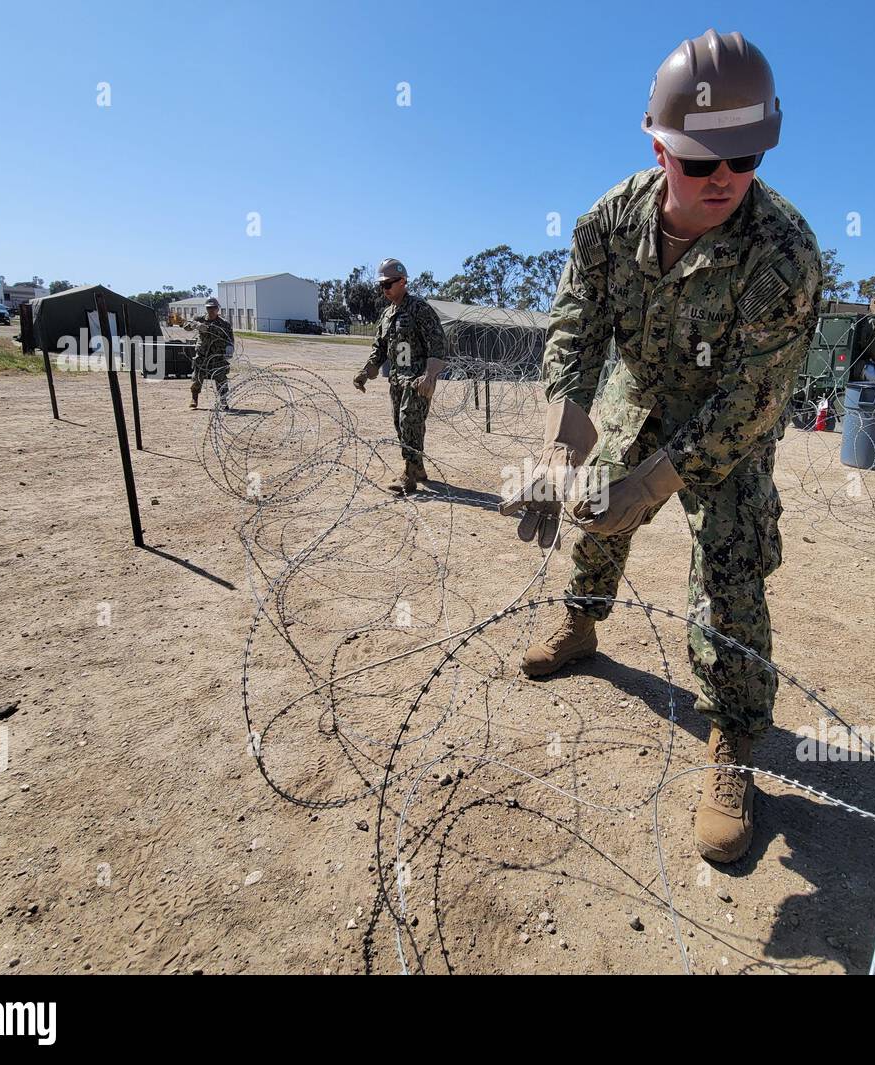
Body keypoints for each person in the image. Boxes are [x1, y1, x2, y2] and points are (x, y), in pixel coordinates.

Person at [500, 29, 823, 864]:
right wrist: (558, 439)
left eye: (744, 158)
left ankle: (735, 738)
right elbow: (575, 328)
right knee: (595, 512)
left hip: (728, 421)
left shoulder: (784, 254)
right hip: (640, 389)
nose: (724, 180)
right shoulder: (608, 223)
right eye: (700, 161)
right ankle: (581, 621)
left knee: (731, 563)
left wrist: (658, 481)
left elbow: (752, 398)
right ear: (659, 144)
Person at [352, 258, 447, 493]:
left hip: (417, 380)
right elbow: (379, 349)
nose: (384, 290)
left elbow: (438, 344)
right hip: (396, 380)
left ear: (402, 281)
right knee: (401, 424)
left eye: (388, 284)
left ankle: (409, 475)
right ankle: (419, 467)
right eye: (381, 286)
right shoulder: (386, 315)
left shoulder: (419, 309)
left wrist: (430, 376)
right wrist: (366, 372)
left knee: (409, 423)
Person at [184, 297, 235, 409]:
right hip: (202, 354)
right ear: (206, 309)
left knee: (221, 378)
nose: (211, 310)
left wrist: (230, 349)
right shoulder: (199, 319)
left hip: (218, 356)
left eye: (214, 308)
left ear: (218, 309)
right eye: (209, 308)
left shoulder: (224, 324)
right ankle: (194, 398)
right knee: (197, 377)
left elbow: (230, 339)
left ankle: (223, 400)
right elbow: (186, 326)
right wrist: (196, 325)